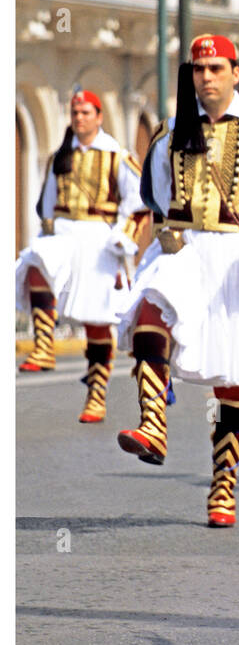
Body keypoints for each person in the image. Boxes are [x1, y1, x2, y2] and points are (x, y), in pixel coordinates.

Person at [116, 35, 239, 527]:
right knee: (149, 313)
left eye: (216, 68)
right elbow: (154, 195)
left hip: (231, 262)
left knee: (229, 378)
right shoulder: (169, 132)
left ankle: (224, 483)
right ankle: (152, 424)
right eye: (199, 69)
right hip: (182, 251)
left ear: (235, 73)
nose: (206, 78)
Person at [16, 89, 145, 423]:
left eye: (86, 113)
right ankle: (44, 345)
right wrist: (47, 227)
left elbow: (139, 203)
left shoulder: (117, 154)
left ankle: (96, 395)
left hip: (99, 240)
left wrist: (123, 238)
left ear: (99, 116)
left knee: (97, 322)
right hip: (63, 232)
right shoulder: (62, 153)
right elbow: (46, 199)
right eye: (75, 113)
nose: (79, 119)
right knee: (34, 263)